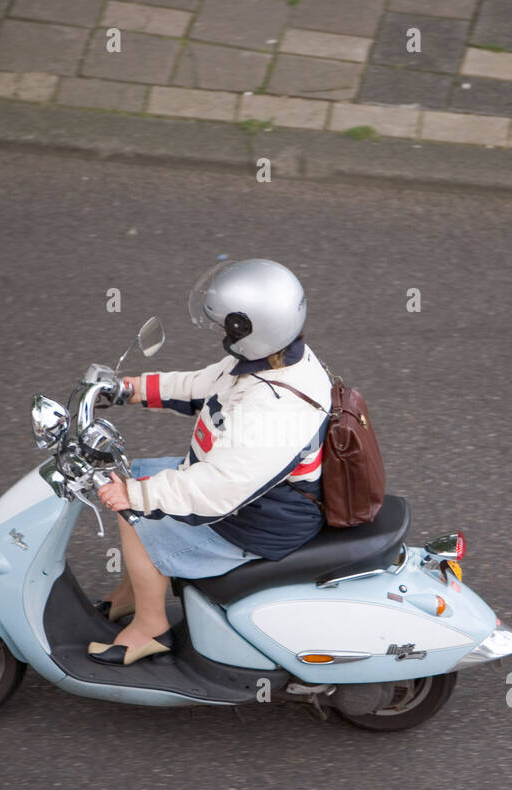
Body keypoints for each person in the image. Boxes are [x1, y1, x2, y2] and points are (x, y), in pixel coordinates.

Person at [88, 259, 332, 666]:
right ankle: (130, 595)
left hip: (258, 521)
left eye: (226, 326)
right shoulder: (272, 359)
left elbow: (218, 489)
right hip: (246, 493)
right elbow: (204, 385)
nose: (220, 332)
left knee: (135, 510)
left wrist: (135, 495)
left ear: (251, 329)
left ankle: (151, 626)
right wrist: (129, 389)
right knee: (140, 479)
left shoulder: (277, 411)